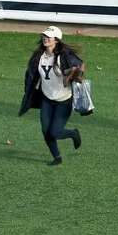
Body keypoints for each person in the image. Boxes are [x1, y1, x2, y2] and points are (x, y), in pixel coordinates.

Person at [19, 25, 84, 166]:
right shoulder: (39, 56)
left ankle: (73, 133)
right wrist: (28, 93)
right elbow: (31, 75)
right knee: (45, 131)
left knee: (54, 132)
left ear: (56, 39)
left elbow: (77, 66)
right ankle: (57, 157)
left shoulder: (64, 55)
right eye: (44, 36)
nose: (45, 38)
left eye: (49, 36)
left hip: (64, 100)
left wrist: (74, 72)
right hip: (46, 99)